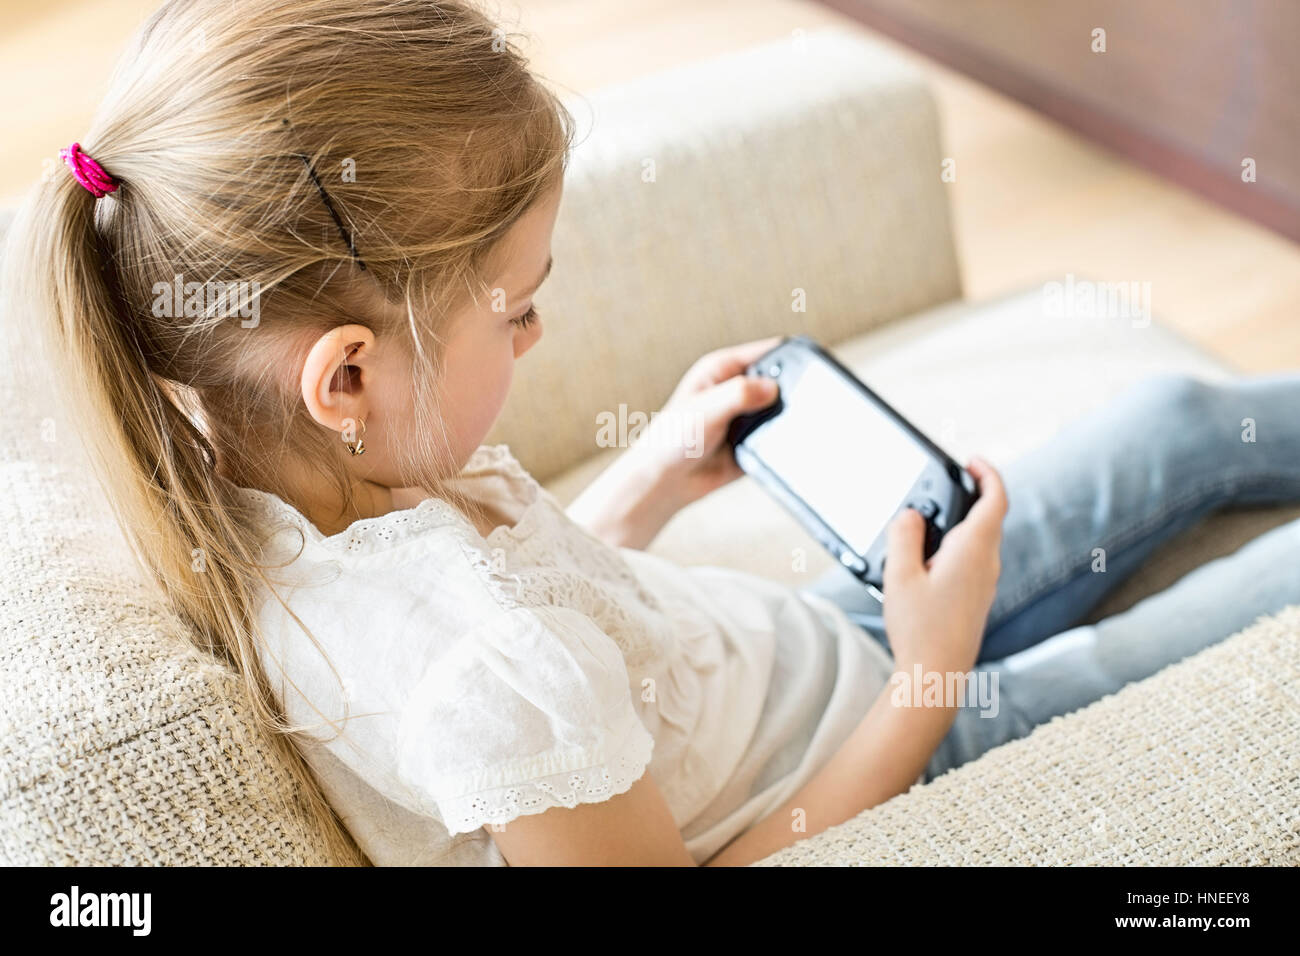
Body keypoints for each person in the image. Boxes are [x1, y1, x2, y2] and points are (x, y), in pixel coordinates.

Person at [9, 0, 1298, 867]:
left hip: (796, 639)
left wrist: (658, 475)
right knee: (1267, 593)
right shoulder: (478, 687)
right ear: (344, 379)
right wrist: (929, 676)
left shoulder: (293, 476)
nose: (536, 337)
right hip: (902, 725)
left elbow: (543, 581)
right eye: (515, 311)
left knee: (1176, 417)